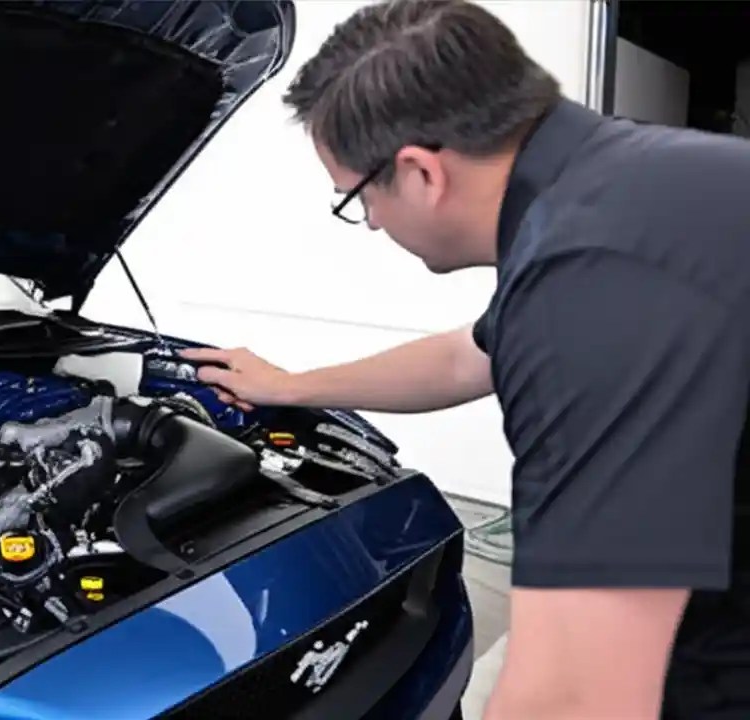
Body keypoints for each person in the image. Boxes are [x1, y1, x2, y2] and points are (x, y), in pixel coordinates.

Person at [180, 1, 750, 718]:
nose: (372, 222)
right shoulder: (627, 180)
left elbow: (574, 698)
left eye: (355, 199)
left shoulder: (592, 289)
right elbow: (464, 358)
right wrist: (290, 386)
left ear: (420, 172)